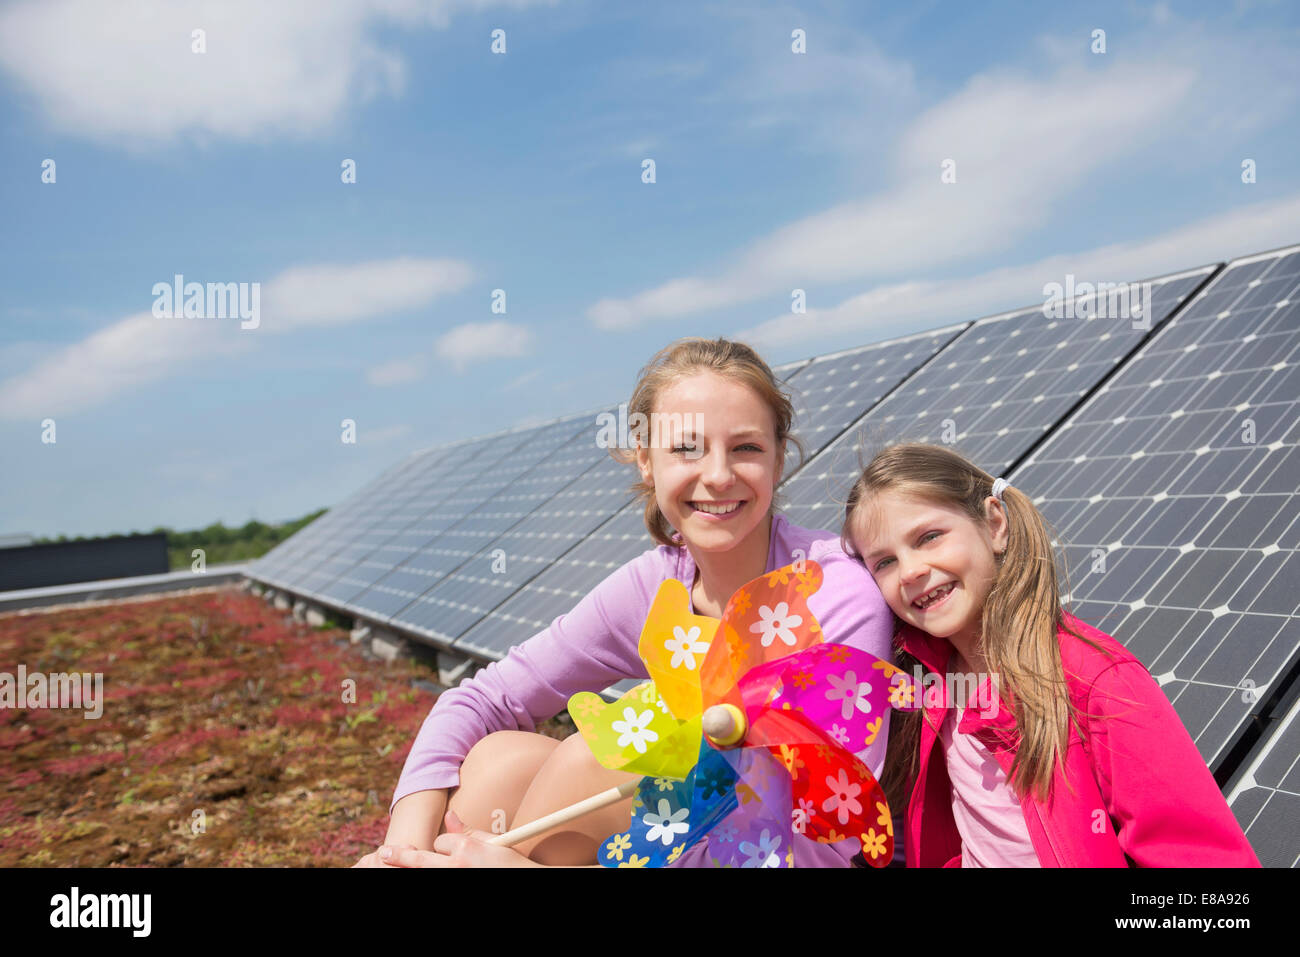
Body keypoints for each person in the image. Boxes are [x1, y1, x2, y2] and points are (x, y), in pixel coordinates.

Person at [354, 337, 896, 867]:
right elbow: (484, 699)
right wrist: (398, 849)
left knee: (596, 757)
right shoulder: (654, 586)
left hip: (777, 854)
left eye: (746, 447)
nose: (717, 475)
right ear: (645, 460)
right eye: (686, 447)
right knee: (499, 764)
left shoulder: (835, 596)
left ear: (779, 459)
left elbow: (824, 847)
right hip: (675, 838)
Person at [840, 441, 1260, 867]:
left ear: (995, 524)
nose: (910, 570)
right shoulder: (924, 686)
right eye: (885, 563)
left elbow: (1197, 854)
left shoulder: (1093, 678)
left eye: (929, 537)